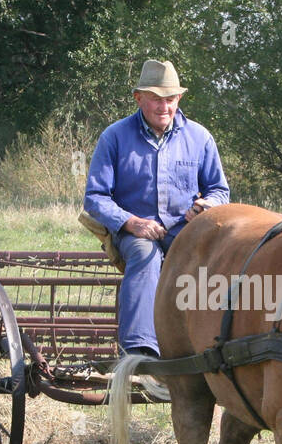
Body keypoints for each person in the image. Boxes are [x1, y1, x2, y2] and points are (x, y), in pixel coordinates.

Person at [83, 59, 230, 359]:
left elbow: (220, 191)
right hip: (134, 233)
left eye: (170, 99)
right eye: (156, 99)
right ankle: (139, 353)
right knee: (146, 255)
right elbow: (95, 198)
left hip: (184, 231)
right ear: (139, 98)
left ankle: (216, 348)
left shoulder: (199, 138)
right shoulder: (115, 137)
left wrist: (206, 205)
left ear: (179, 99)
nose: (164, 107)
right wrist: (131, 222)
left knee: (216, 262)